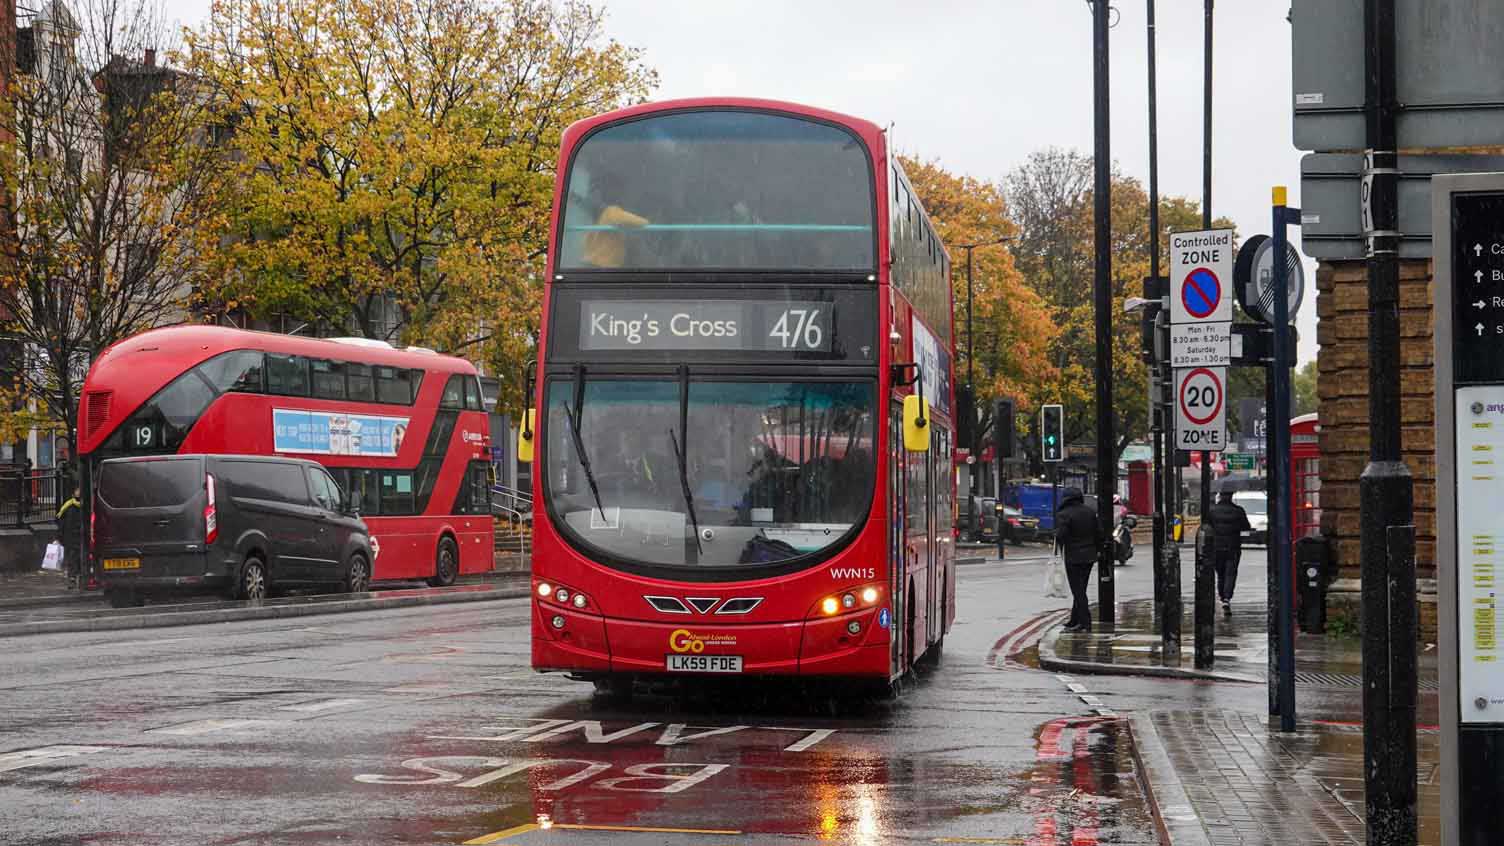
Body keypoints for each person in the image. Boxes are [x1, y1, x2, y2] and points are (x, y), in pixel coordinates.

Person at [1054, 488, 1103, 633]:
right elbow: (1097, 533)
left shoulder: (1063, 514)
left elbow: (1061, 535)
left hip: (1073, 557)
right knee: (1081, 589)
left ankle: (1085, 623)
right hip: (1089, 557)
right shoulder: (1089, 512)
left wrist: (1056, 534)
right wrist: (1098, 550)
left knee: (1078, 592)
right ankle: (1074, 620)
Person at [1208, 489, 1253, 618]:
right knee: (1230, 573)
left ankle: (1222, 596)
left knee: (1221, 573)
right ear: (1232, 496)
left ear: (1220, 496)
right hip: (1233, 546)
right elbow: (1246, 526)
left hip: (1216, 547)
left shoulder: (1212, 511)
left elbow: (1207, 527)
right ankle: (1227, 598)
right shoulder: (1238, 511)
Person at [56, 485, 82, 588]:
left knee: (80, 558)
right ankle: (72, 578)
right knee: (72, 558)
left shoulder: (86, 505)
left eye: (80, 490)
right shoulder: (68, 506)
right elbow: (61, 523)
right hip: (71, 537)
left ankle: (80, 577)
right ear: (73, 493)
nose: (79, 492)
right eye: (77, 490)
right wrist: (58, 537)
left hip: (81, 536)